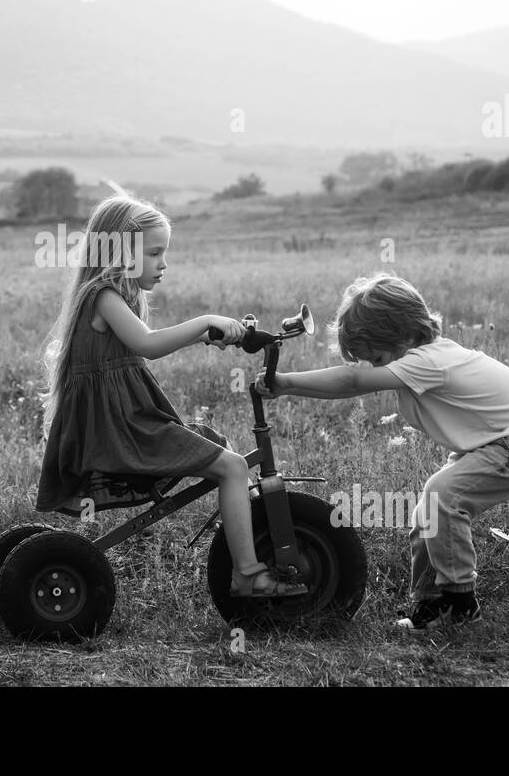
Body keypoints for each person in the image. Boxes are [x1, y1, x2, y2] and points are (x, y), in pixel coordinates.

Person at [37, 194, 307, 598]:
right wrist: (205, 320)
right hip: (121, 431)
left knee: (223, 453)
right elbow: (147, 344)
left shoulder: (113, 297)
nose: (164, 263)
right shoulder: (104, 297)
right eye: (155, 252)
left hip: (129, 424)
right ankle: (247, 575)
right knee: (233, 467)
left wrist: (206, 336)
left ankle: (247, 543)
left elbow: (142, 346)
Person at [254, 271, 509, 629]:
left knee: (442, 497)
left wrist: (285, 383)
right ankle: (431, 605)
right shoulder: (421, 357)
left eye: (378, 358)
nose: (377, 368)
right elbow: (357, 376)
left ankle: (461, 604)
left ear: (404, 334)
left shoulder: (428, 361)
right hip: (495, 443)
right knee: (428, 511)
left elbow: (352, 381)